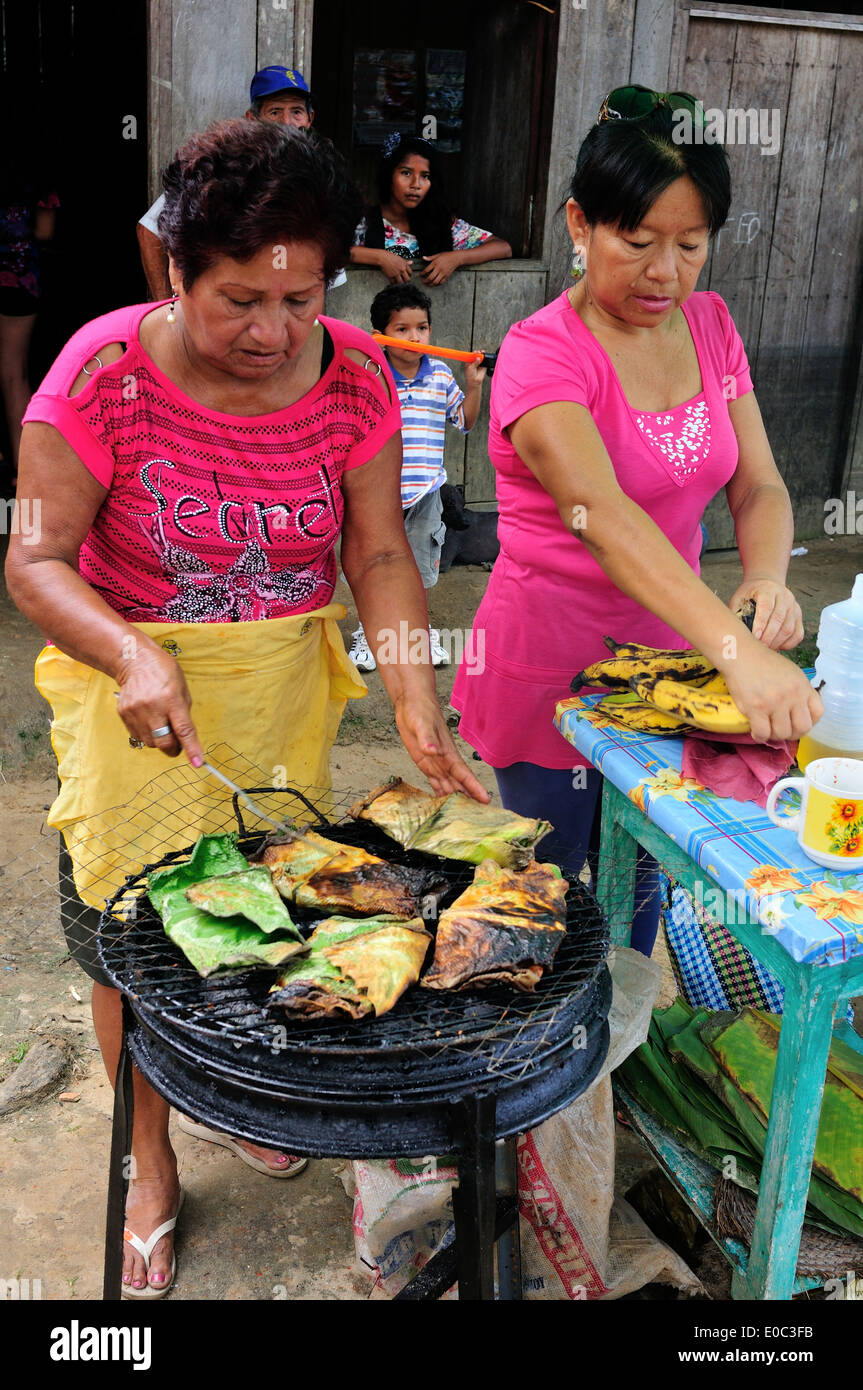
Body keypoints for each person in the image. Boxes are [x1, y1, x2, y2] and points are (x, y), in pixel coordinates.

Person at [6, 118, 487, 1299]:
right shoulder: (101, 374)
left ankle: (239, 1091)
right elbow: (36, 559)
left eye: (302, 294)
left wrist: (415, 695)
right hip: (137, 699)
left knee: (260, 904)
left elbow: (377, 552)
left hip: (276, 690)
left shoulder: (356, 372)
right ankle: (152, 1159)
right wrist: (131, 653)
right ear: (174, 270)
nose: (273, 332)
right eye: (238, 299)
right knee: (128, 942)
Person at [450, 86, 822, 954]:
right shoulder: (544, 354)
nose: (665, 272)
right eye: (637, 240)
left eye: (690, 246)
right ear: (579, 224)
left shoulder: (710, 322)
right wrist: (741, 654)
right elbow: (603, 515)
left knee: (643, 888)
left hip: (672, 665)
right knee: (549, 904)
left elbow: (759, 484)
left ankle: (618, 1065)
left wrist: (762, 578)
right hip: (552, 674)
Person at [349, 283, 487, 671]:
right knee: (375, 564)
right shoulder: (370, 375)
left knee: (420, 569)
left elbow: (465, 422)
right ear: (381, 335)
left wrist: (473, 385)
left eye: (422, 327)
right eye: (403, 329)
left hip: (425, 491)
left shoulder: (441, 375)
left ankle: (418, 632)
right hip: (378, 492)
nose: (415, 337)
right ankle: (369, 632)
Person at [135, 67, 345, 300]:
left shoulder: (319, 180)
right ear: (252, 119)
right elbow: (149, 230)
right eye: (274, 112)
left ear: (309, 119)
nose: (287, 123)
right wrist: (164, 305)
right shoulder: (226, 166)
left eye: (296, 111)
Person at [351, 134, 512, 285]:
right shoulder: (365, 221)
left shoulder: (441, 222)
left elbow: (503, 248)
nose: (416, 184)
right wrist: (380, 258)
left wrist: (456, 258)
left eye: (425, 176)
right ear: (388, 176)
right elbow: (336, 250)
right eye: (406, 173)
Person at [0, 119, 58, 485]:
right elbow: (45, 232)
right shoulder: (37, 178)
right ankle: (24, 467)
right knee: (14, 372)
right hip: (18, 280)